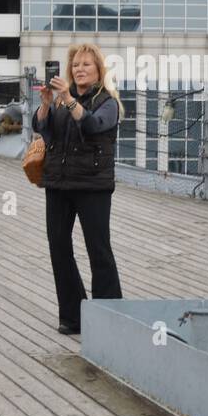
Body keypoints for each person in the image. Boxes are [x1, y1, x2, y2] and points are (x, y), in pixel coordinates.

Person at [32, 42, 124, 334]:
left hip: (92, 185)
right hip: (58, 182)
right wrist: (47, 104)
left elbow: (93, 126)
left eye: (86, 64)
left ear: (98, 69)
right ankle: (72, 316)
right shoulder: (61, 100)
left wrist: (69, 100)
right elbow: (44, 130)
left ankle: (109, 316)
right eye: (75, 65)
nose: (79, 69)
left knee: (99, 250)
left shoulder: (108, 102)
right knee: (58, 247)